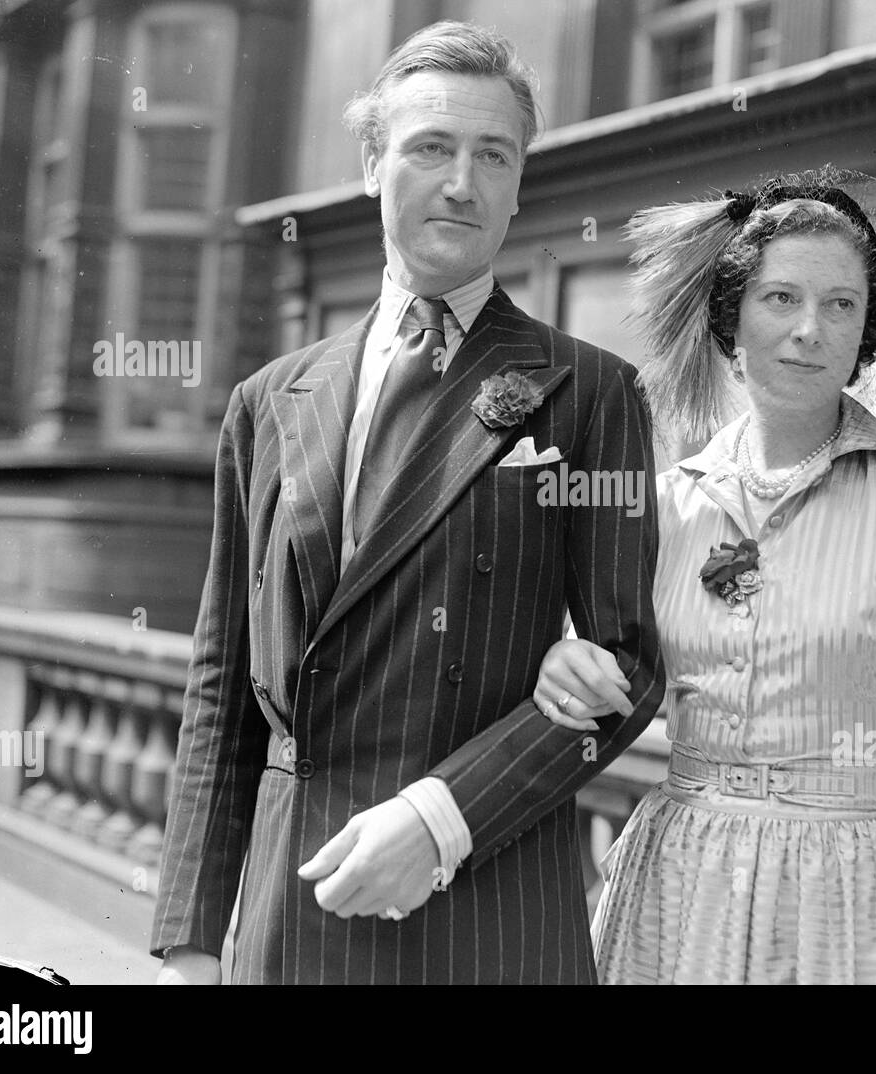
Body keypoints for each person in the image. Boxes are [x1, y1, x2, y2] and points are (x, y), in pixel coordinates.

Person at [151, 20, 664, 984]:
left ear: (518, 187)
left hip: (490, 898)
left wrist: (440, 819)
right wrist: (189, 937)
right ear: (372, 163)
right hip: (300, 892)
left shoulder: (592, 391)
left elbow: (627, 669)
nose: (461, 182)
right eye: (431, 148)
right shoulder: (269, 402)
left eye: (493, 156)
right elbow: (223, 683)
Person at [535, 171, 876, 984]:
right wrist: (561, 666)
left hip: (855, 893)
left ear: (865, 333)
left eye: (841, 305)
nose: (811, 329)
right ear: (732, 316)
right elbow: (600, 680)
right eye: (782, 298)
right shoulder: (664, 504)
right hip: (681, 883)